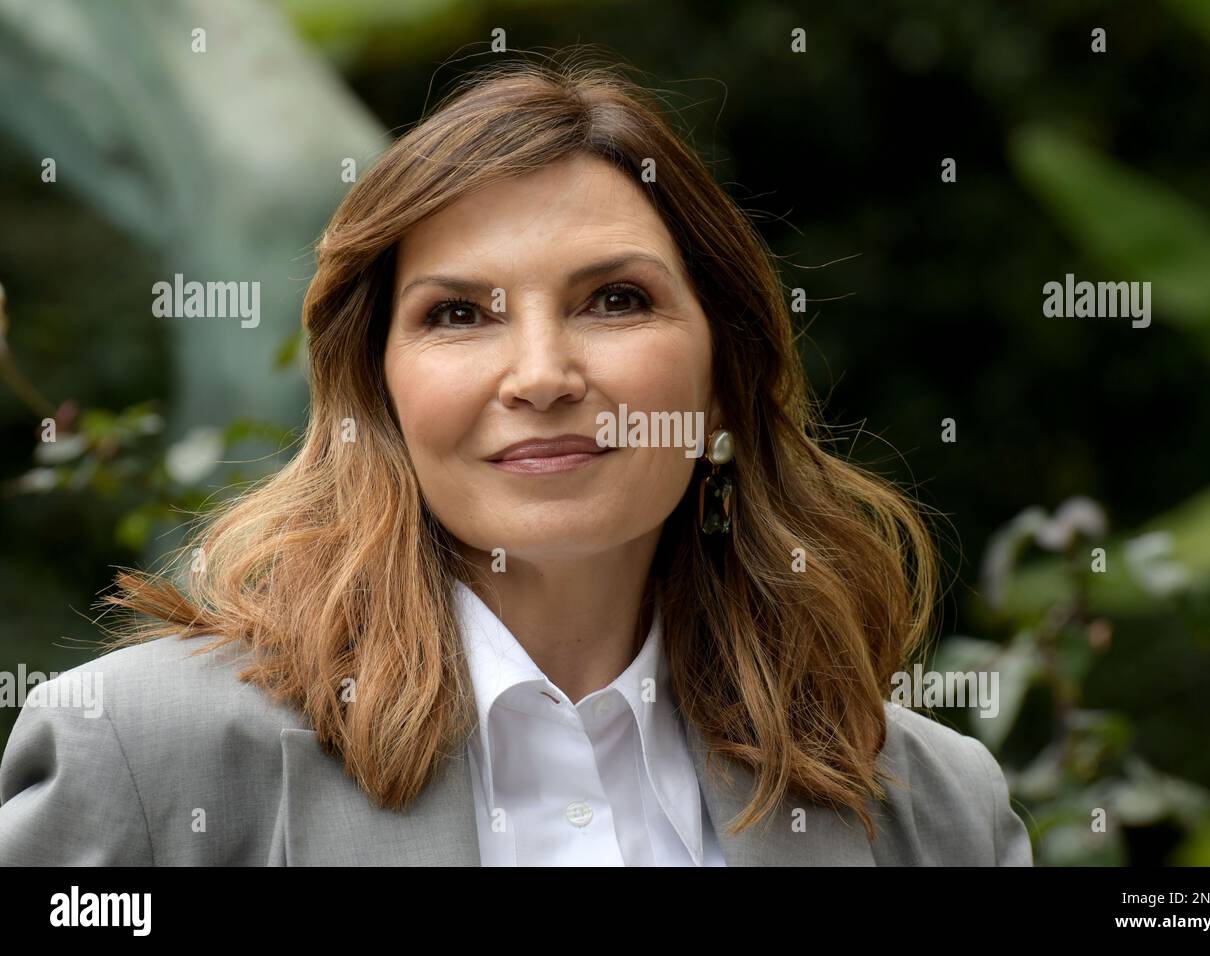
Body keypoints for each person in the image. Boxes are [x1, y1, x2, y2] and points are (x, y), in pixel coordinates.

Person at [0, 53, 1032, 866]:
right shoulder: (139, 754)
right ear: (381, 394)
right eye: (457, 313)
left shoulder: (932, 809)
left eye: (615, 300)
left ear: (722, 375)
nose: (540, 374)